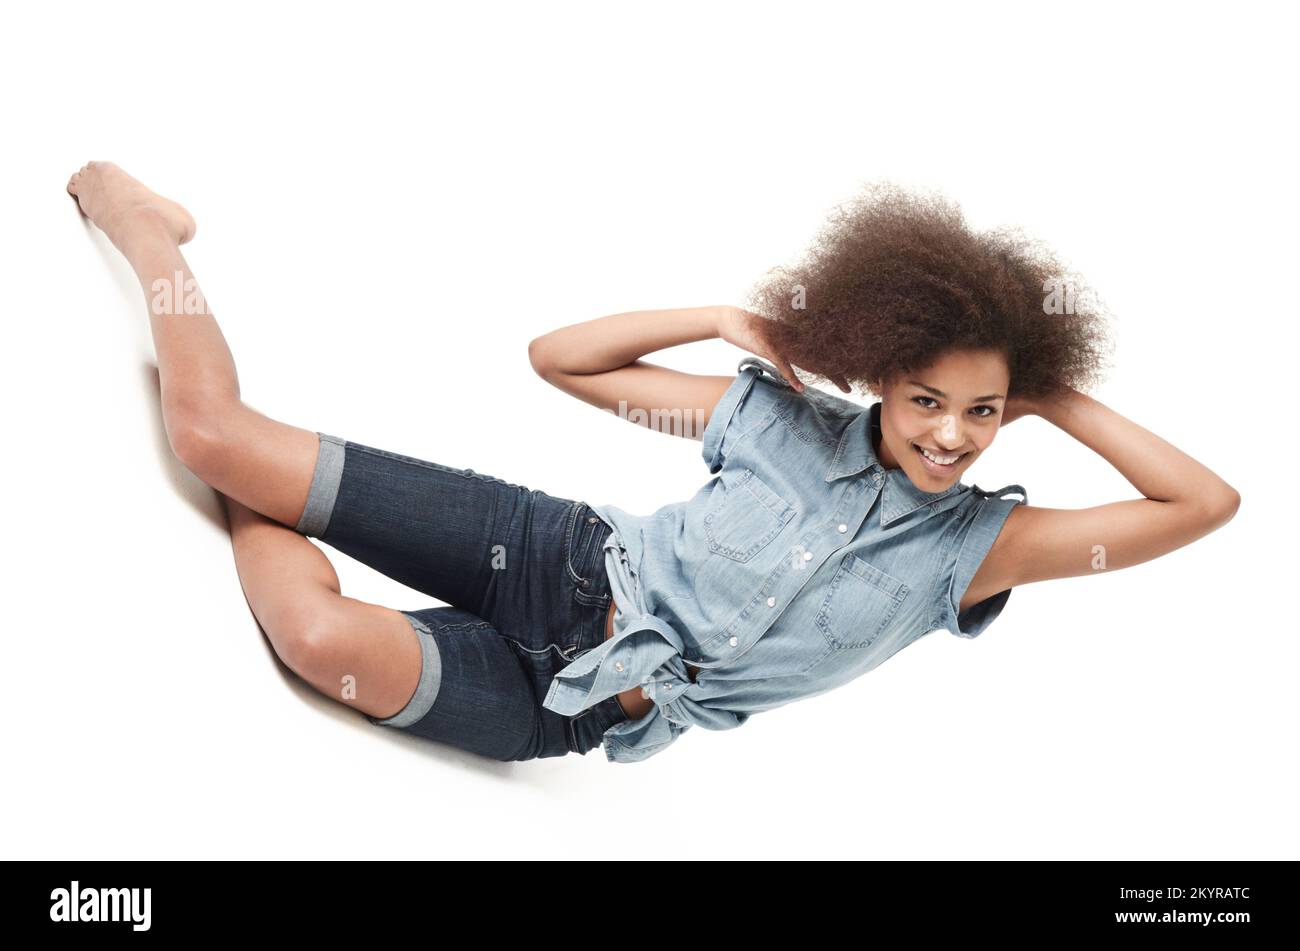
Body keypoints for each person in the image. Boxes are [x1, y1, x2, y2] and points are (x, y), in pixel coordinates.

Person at [66, 163, 1240, 765]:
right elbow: (562, 362)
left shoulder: (983, 551)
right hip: (549, 555)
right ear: (879, 373)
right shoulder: (775, 424)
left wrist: (1052, 392)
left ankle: (264, 506)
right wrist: (725, 320)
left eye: (980, 412)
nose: (949, 433)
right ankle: (146, 228)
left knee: (318, 643)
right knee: (213, 438)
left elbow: (1203, 503)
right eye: (926, 397)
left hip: (572, 709)